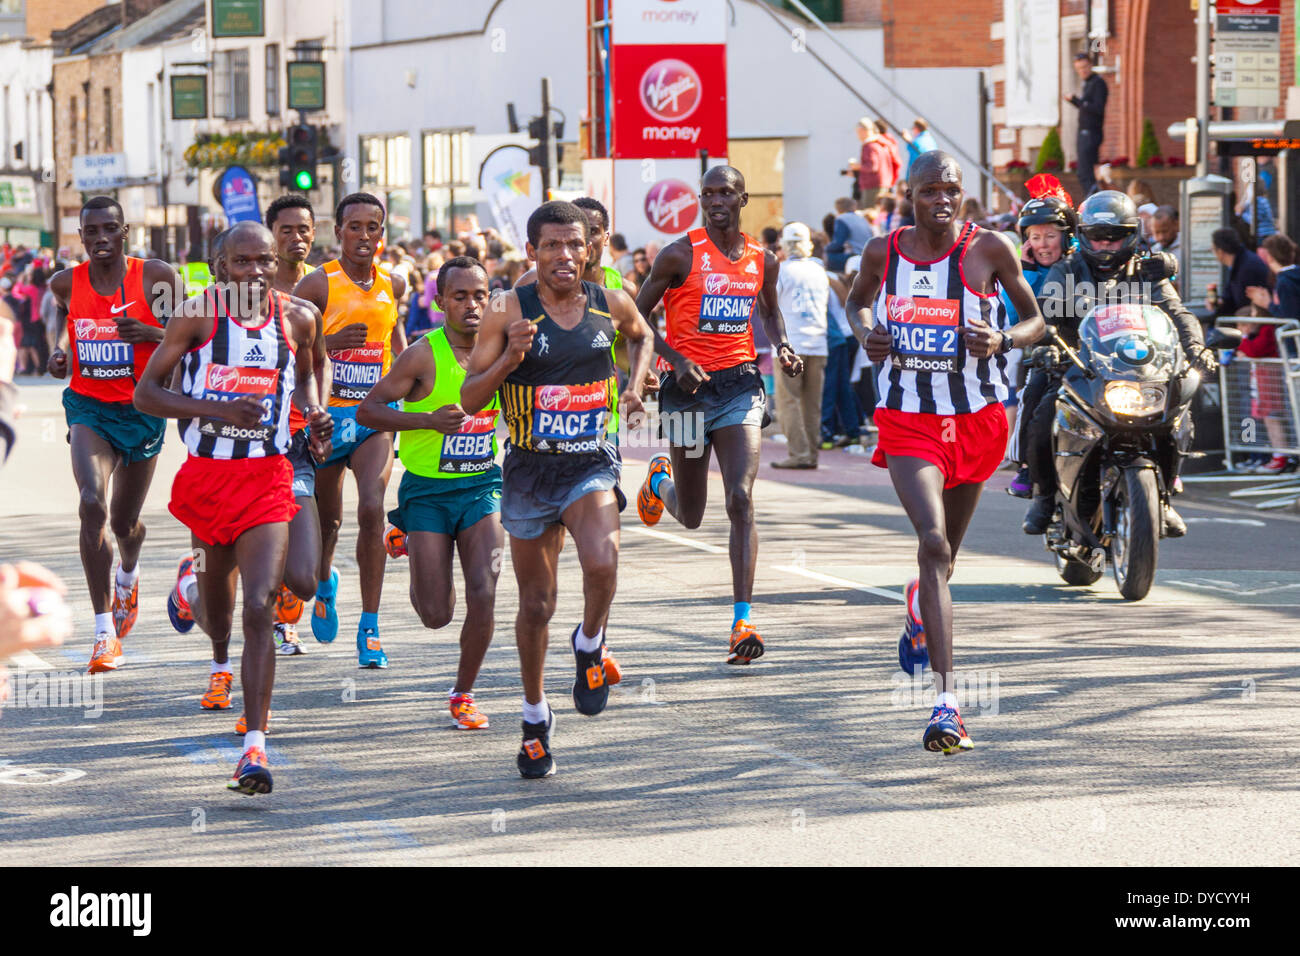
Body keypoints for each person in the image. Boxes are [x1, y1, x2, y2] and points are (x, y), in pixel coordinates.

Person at [845, 151, 1045, 754]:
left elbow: (1034, 320)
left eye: (951, 189)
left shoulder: (989, 250)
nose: (943, 199)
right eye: (930, 189)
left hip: (977, 418)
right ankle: (947, 704)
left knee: (947, 559)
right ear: (909, 193)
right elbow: (856, 302)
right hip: (907, 417)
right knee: (931, 544)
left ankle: (917, 604)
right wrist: (867, 334)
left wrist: (1003, 337)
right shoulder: (884, 252)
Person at [136, 221, 331, 795]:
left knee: (260, 607)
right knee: (217, 621)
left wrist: (315, 413)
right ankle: (189, 589)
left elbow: (307, 374)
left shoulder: (298, 316)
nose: (254, 272)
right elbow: (146, 394)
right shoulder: (197, 315)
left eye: (264, 261)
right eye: (242, 262)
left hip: (268, 475)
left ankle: (254, 750)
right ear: (220, 265)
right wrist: (217, 411)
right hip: (208, 477)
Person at [460, 201, 653, 778]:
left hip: (590, 461)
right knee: (536, 604)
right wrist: (511, 357)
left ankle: (590, 641)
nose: (564, 256)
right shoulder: (504, 310)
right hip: (528, 469)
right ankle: (535, 716)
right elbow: (471, 398)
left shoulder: (609, 302)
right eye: (551, 246)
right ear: (532, 252)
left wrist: (634, 386)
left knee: (603, 560)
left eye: (574, 245)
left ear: (588, 248)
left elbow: (641, 335)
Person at [634, 166, 803, 663]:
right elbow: (636, 319)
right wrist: (673, 358)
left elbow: (769, 312)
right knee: (690, 515)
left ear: (742, 198)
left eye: (725, 192)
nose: (715, 200)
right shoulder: (679, 254)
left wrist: (784, 346)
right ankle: (659, 482)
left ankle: (742, 619)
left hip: (739, 386)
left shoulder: (760, 259)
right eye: (707, 193)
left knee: (740, 497)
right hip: (685, 393)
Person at [358, 257, 503, 729]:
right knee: (436, 614)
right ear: (440, 302)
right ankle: (406, 539)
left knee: (484, 591)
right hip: (427, 493)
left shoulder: (500, 353)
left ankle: (463, 693)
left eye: (480, 295)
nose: (472, 305)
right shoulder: (423, 354)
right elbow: (369, 410)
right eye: (459, 296)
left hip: (482, 486)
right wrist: (426, 420)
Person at [45, 197, 183, 673]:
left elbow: (191, 335)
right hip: (89, 408)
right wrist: (58, 352)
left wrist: (147, 332)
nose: (100, 238)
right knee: (91, 503)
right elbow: (64, 325)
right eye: (91, 231)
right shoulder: (66, 282)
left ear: (125, 231)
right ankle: (104, 633)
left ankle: (129, 570)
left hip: (143, 408)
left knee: (125, 523)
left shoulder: (156, 276)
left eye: (110, 229)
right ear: (80, 238)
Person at [1026, 191, 1212, 538]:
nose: (1106, 246)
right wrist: (1045, 346)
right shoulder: (1066, 270)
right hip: (1079, 366)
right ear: (1082, 235)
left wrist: (1197, 348)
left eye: (1115, 238)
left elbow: (1179, 313)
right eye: (1097, 238)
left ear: (1132, 235)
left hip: (1139, 371)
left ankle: (1165, 496)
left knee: (1180, 412)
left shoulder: (1148, 271)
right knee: (1044, 415)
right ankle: (1043, 494)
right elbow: (1043, 316)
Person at [294, 193, 407, 668]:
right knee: (328, 521)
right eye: (355, 227)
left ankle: (371, 626)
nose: (365, 236)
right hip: (326, 417)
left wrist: (418, 388)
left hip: (374, 415)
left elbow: (396, 342)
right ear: (336, 231)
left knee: (372, 508)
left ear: (383, 233)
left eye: (373, 227)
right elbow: (295, 351)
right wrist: (330, 343)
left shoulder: (394, 283)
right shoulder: (318, 285)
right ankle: (323, 582)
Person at [265, 193, 330, 655]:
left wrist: (315, 414)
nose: (296, 238)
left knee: (327, 523)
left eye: (304, 229)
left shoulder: (322, 284)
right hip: (248, 440)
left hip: (306, 429)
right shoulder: (250, 280)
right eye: (286, 230)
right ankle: (278, 623)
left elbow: (317, 363)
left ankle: (302, 588)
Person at [1002, 196, 1075, 497]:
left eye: (1050, 235)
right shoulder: (1022, 270)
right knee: (1030, 397)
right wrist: (1027, 271)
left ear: (1067, 236)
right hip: (1046, 356)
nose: (1043, 244)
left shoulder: (1080, 264)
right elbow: (1012, 315)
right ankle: (1025, 466)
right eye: (1035, 237)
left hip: (1091, 354)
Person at [771, 222, 829, 468]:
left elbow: (770, 307)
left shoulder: (781, 271)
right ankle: (811, 454)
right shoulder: (819, 270)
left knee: (790, 402)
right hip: (818, 342)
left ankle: (799, 454)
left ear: (783, 245)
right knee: (812, 404)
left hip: (790, 345)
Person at [1066, 53, 1108, 197]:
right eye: (1079, 69)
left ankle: (1092, 200)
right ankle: (1092, 198)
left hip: (1091, 133)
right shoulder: (1088, 84)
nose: (1082, 71)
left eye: (1084, 67)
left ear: (1090, 65)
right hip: (1085, 132)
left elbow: (1097, 109)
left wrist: (1077, 101)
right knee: (1083, 172)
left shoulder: (1098, 83)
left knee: (1086, 172)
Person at [1206, 227, 1270, 318]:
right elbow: (1231, 297)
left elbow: (1243, 303)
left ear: (1220, 251)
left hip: (1252, 322)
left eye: (1213, 249)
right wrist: (1219, 302)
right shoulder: (1239, 262)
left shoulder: (1246, 267)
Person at [849, 119, 891, 209]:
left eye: (858, 132)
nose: (858, 135)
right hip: (881, 184)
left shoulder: (869, 146)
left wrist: (857, 166)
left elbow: (872, 166)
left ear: (863, 131)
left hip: (872, 186)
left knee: (869, 212)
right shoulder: (879, 144)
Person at [827, 198, 874, 273]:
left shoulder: (841, 219)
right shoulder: (861, 218)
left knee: (827, 256)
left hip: (855, 255)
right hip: (867, 255)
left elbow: (838, 243)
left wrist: (825, 248)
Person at [1151, 205, 1182, 276]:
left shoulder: (1186, 249)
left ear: (1176, 225)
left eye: (1165, 231)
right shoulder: (1153, 252)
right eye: (1157, 232)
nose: (1161, 237)